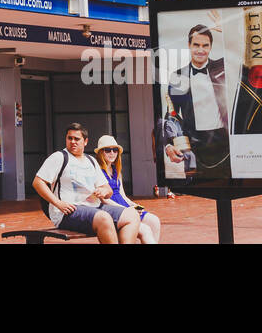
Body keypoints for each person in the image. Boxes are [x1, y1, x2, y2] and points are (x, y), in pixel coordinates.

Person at [32, 123, 139, 244]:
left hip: (94, 207)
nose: (73, 142)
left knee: (132, 215)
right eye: (69, 138)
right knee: (104, 218)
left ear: (85, 141)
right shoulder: (59, 157)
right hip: (68, 211)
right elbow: (38, 182)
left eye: (77, 139)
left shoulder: (91, 161)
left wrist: (104, 191)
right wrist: (58, 203)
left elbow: (108, 189)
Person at [164, 24, 229, 179]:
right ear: (189, 45)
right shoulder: (178, 76)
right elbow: (171, 114)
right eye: (196, 45)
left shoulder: (223, 67)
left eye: (205, 45)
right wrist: (168, 145)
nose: (201, 50)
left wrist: (229, 32)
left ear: (211, 47)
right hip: (195, 145)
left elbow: (241, 57)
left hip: (225, 142)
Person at [94, 134, 161, 243]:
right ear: (101, 152)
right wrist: (126, 210)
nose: (112, 153)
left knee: (154, 221)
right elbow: (104, 199)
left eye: (115, 150)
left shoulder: (116, 170)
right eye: (108, 150)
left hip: (124, 206)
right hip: (111, 208)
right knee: (145, 230)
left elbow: (123, 195)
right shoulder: (97, 171)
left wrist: (134, 206)